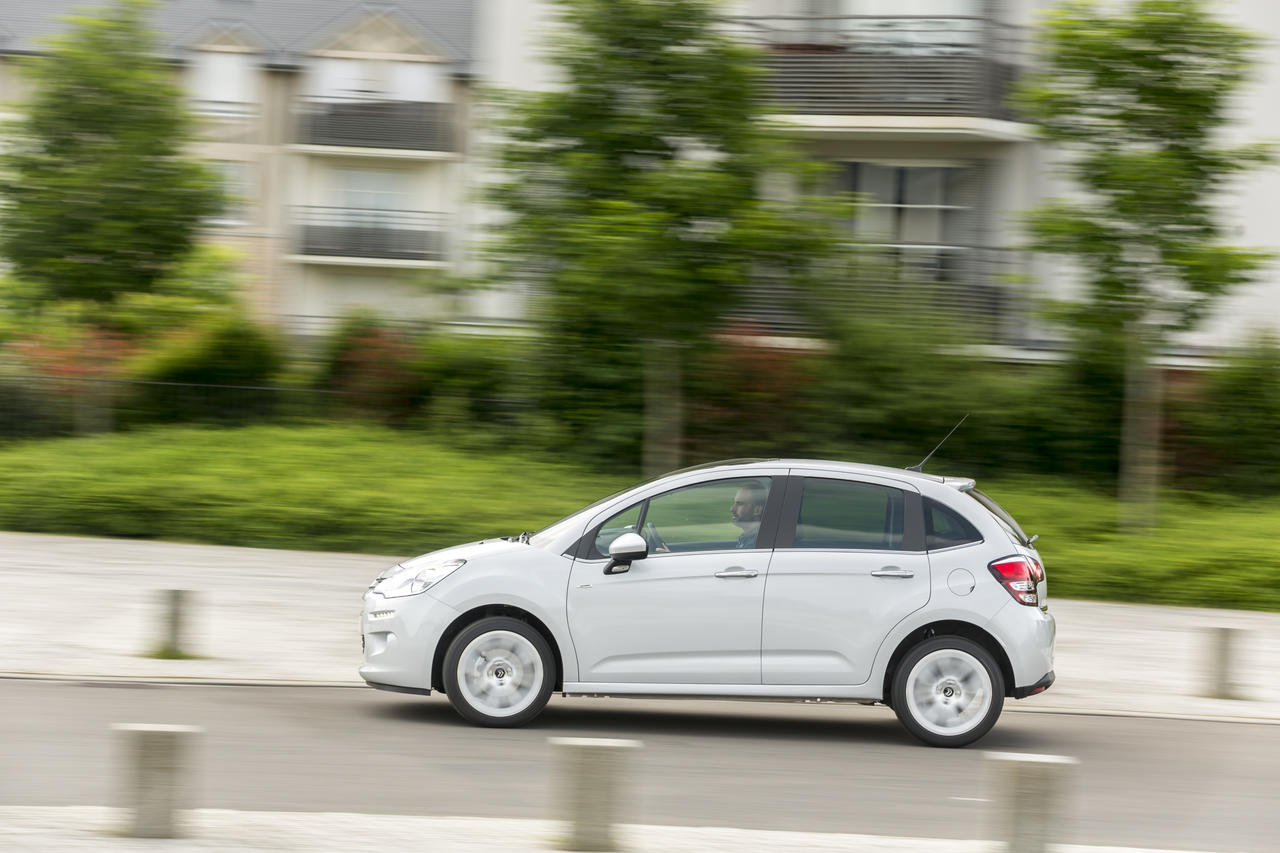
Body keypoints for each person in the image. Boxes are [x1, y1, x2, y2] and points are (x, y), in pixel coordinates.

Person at [730, 480, 768, 548]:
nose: (732, 509)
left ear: (757, 510)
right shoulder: (747, 537)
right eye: (735, 503)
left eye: (740, 504)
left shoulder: (754, 544)